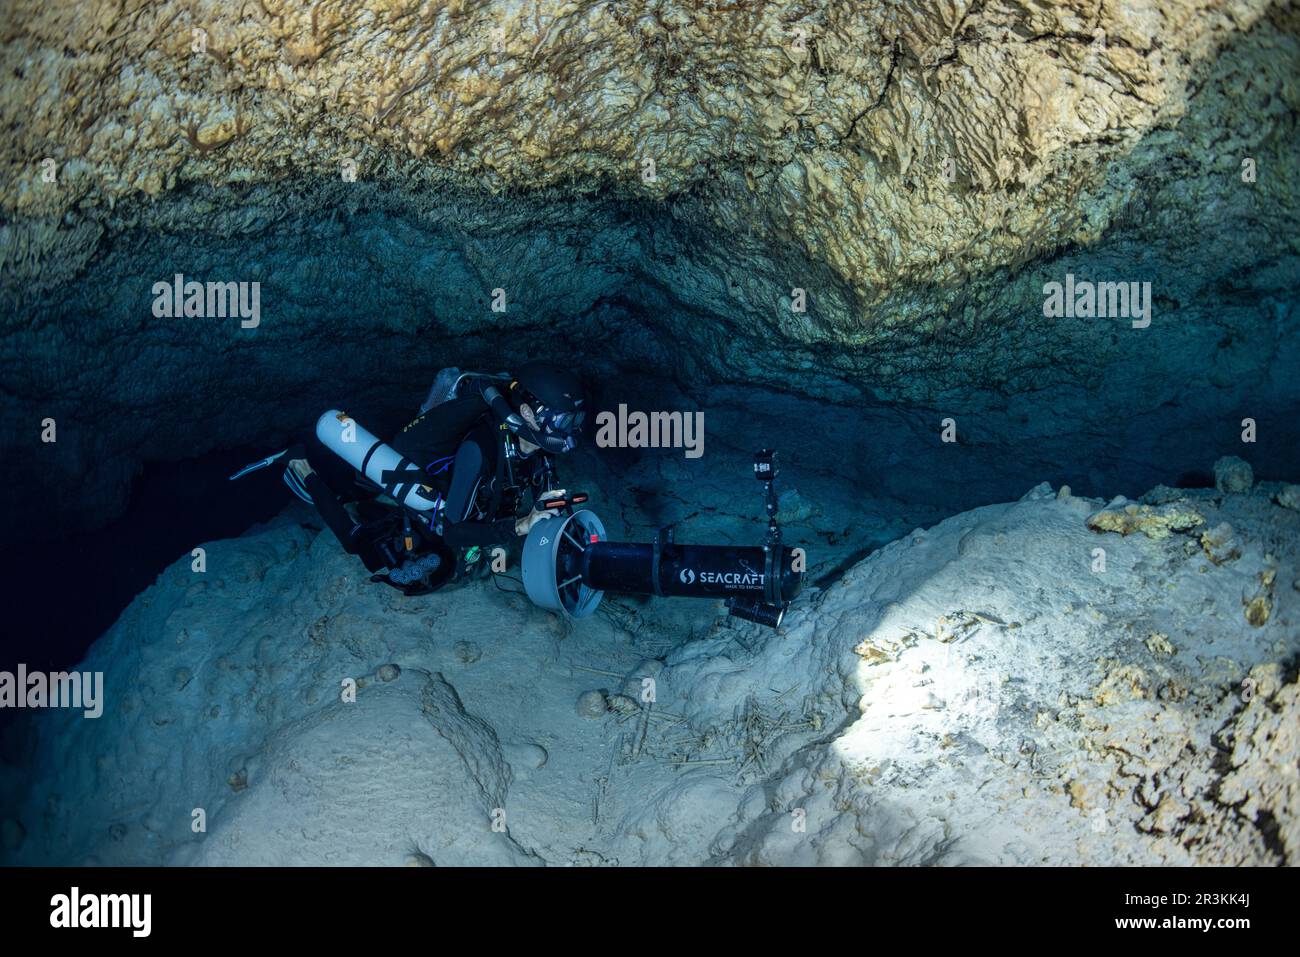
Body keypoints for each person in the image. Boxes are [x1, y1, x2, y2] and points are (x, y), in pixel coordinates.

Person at [238, 363, 587, 594]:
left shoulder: (537, 448)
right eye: (564, 421)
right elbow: (453, 530)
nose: (570, 431)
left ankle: (360, 499)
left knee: (411, 541)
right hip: (432, 503)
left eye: (575, 420)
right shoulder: (479, 449)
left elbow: (538, 498)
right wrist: (520, 525)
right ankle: (302, 467)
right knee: (359, 542)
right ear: (526, 412)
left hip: (459, 508)